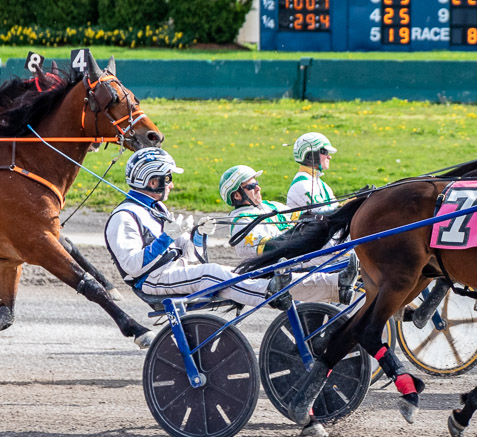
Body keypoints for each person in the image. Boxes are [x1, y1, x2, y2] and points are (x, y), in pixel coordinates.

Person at [105, 148, 282, 309]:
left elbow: (189, 254)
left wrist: (199, 234)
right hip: (152, 280)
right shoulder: (124, 216)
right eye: (168, 179)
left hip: (171, 273)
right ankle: (271, 293)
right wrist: (166, 238)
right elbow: (132, 266)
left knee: (231, 273)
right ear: (152, 182)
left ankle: (277, 289)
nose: (172, 185)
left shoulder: (156, 208)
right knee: (212, 274)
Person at [220, 164, 358, 305]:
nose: (258, 188)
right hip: (281, 271)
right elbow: (272, 250)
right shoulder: (241, 223)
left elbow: (306, 217)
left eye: (257, 183)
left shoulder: (270, 206)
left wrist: (344, 209)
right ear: (237, 195)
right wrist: (305, 237)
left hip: (300, 259)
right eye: (251, 186)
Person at [287, 132, 340, 214]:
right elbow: (323, 213)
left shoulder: (322, 184)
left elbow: (336, 208)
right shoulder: (302, 184)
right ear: (310, 155)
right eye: (324, 152)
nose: (329, 157)